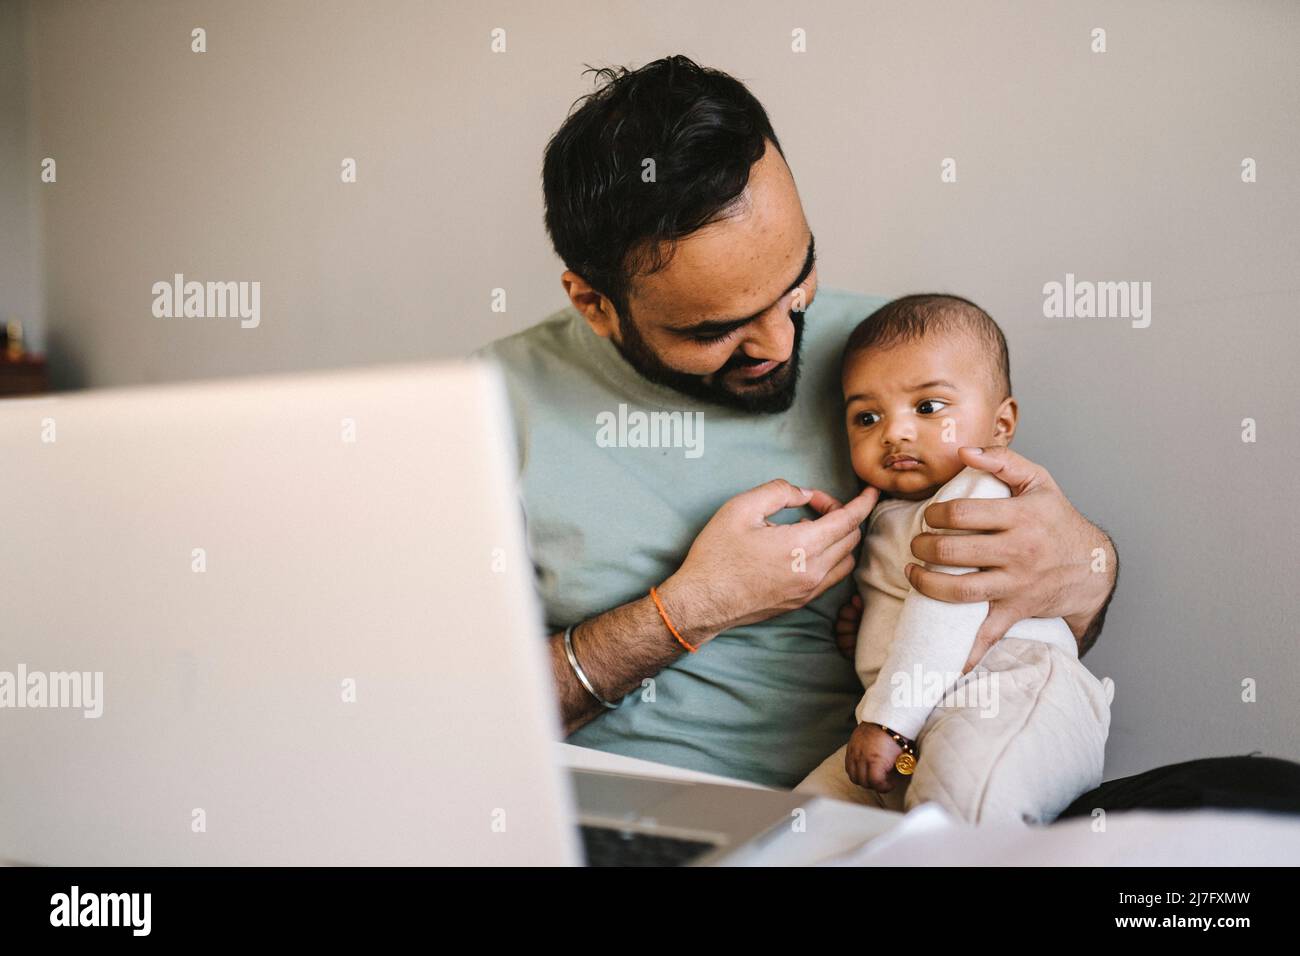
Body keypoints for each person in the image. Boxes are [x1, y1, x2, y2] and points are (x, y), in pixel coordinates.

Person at [472, 55, 1116, 790]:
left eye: (795, 283)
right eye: (717, 329)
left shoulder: (897, 360)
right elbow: (450, 722)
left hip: (870, 803)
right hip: (621, 821)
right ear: (594, 304)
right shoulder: (484, 411)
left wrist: (1089, 567)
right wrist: (688, 610)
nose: (780, 345)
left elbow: (1031, 629)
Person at [796, 294, 1112, 823]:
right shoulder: (890, 511)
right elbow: (913, 616)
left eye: (927, 408)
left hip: (1013, 687)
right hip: (917, 712)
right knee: (800, 820)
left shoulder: (980, 490)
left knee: (965, 802)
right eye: (867, 416)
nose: (893, 432)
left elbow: (945, 612)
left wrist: (889, 723)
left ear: (1000, 425)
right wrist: (872, 632)